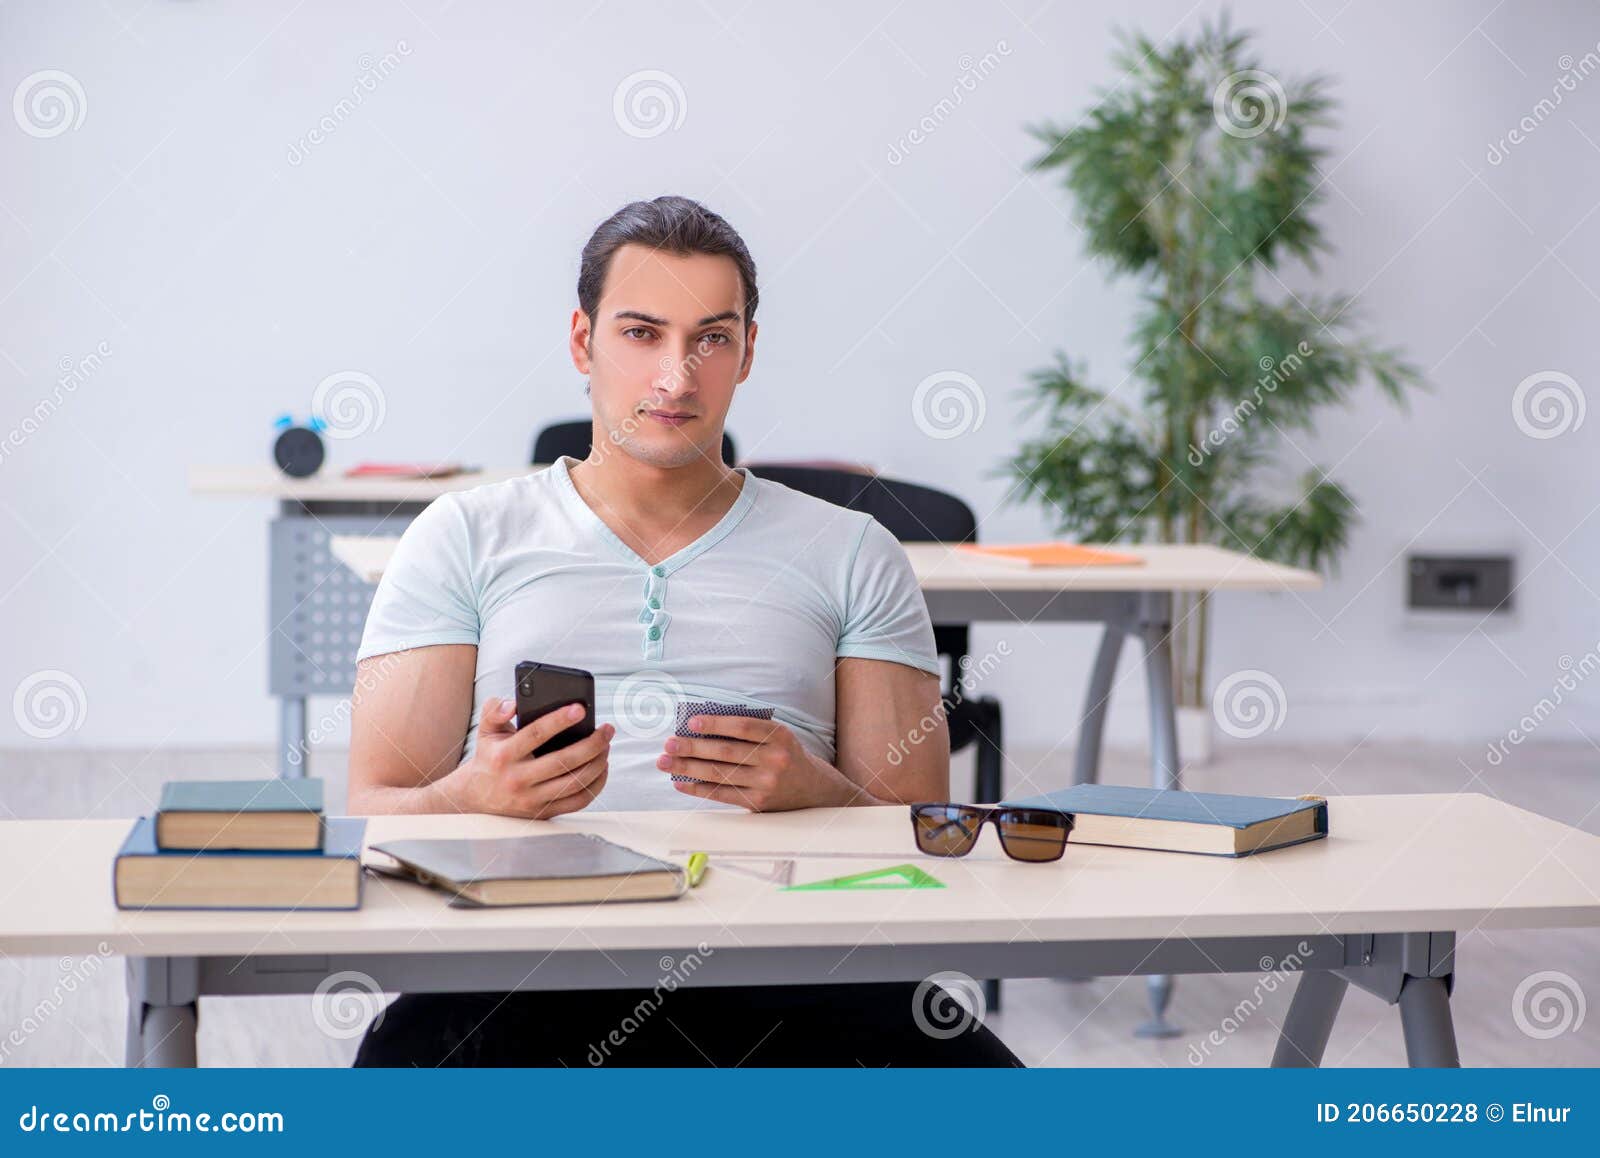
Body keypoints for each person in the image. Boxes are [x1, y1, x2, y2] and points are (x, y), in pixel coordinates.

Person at [347, 195, 1020, 1067]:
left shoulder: (855, 551)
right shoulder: (461, 536)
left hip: (803, 968)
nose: (677, 376)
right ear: (583, 342)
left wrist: (820, 792)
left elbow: (923, 831)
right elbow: (371, 812)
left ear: (747, 351)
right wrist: (475, 793)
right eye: (641, 334)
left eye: (711, 337)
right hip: (526, 964)